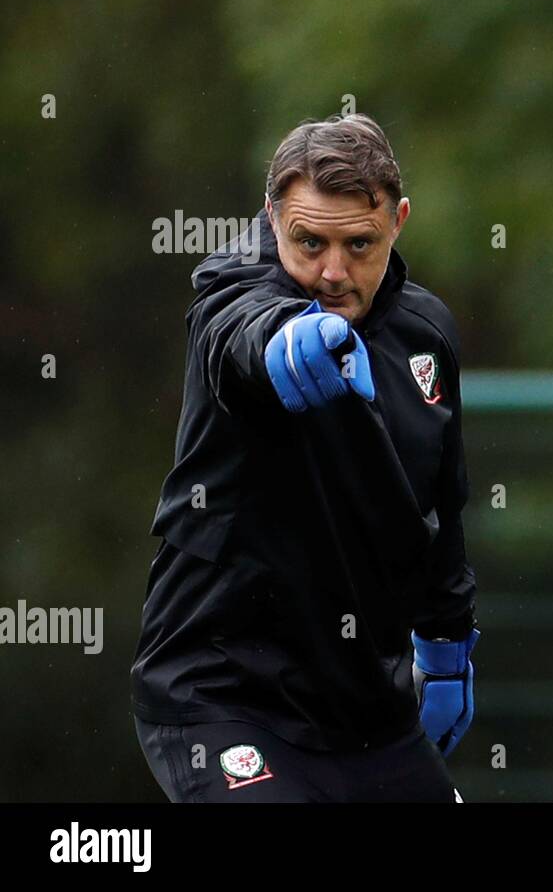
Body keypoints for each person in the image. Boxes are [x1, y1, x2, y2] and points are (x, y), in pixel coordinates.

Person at [131, 114, 479, 802]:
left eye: (358, 244)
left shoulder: (426, 336)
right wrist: (288, 341)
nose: (330, 272)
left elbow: (438, 508)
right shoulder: (233, 293)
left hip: (367, 712)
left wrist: (445, 644)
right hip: (223, 698)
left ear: (399, 221)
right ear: (271, 216)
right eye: (308, 242)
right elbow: (236, 332)